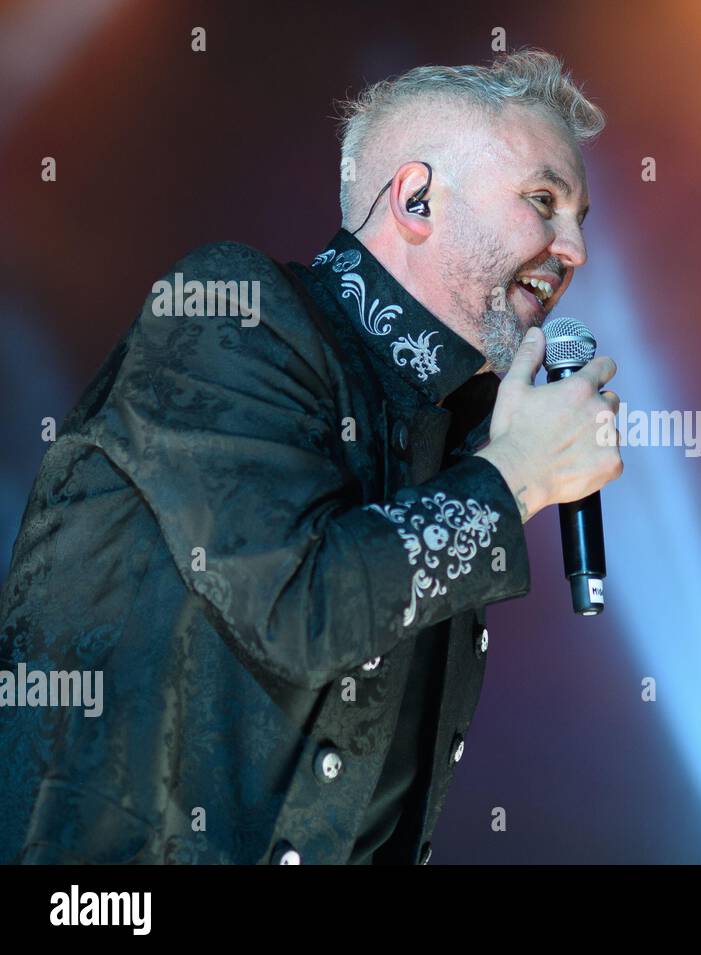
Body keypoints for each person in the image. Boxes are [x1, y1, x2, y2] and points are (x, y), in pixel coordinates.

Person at [0, 48, 622, 864]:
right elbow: (298, 606)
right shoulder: (235, 315)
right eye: (544, 201)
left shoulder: (456, 433)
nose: (573, 248)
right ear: (417, 198)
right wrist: (517, 478)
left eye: (580, 218)